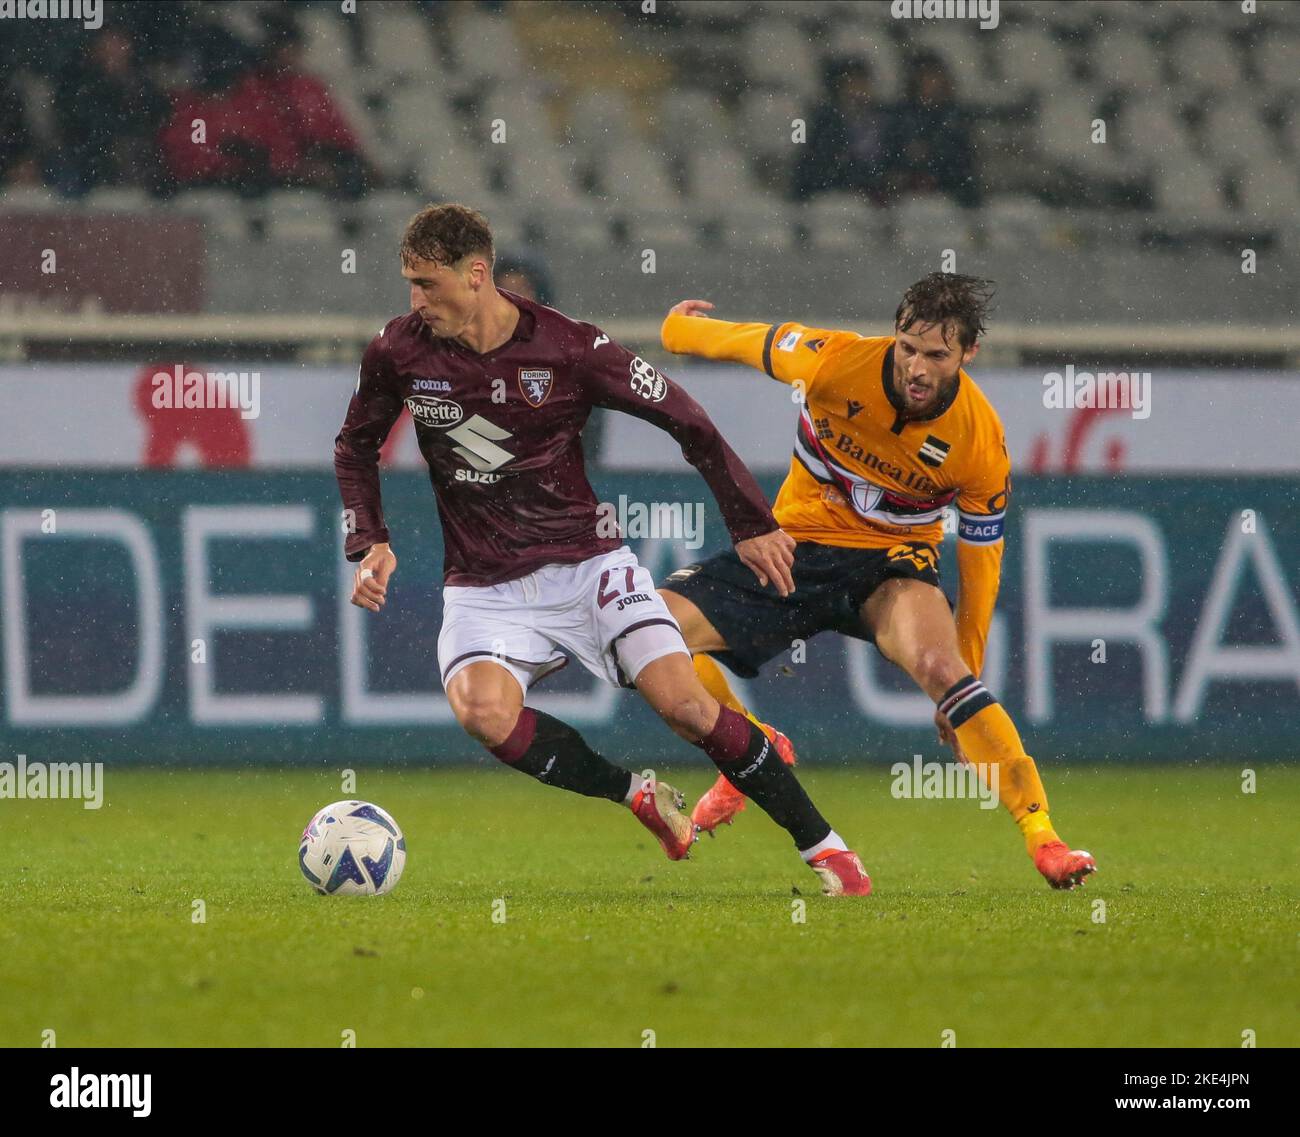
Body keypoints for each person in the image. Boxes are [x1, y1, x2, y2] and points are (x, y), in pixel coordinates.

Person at [334, 204, 871, 896]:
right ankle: (636, 795)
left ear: (476, 275)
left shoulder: (569, 347)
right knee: (482, 711)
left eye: (427, 284)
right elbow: (354, 444)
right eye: (408, 282)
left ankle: (828, 850)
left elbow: (686, 418)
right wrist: (369, 537)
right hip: (485, 583)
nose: (415, 301)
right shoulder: (399, 350)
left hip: (588, 568)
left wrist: (749, 520)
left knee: (686, 708)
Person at [657, 274, 1096, 890]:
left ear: (968, 354)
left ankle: (1043, 837)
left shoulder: (979, 442)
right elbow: (746, 341)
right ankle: (751, 747)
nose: (916, 367)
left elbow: (981, 566)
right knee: (651, 635)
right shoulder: (834, 361)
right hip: (796, 545)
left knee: (947, 673)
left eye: (936, 355)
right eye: (907, 347)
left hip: (890, 563)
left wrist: (963, 675)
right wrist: (677, 331)